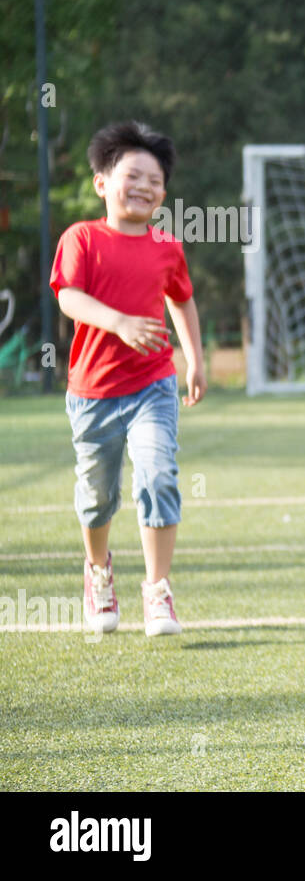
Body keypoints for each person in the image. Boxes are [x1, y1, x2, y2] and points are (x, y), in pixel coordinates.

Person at [50, 121, 205, 638]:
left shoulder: (167, 246)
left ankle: (157, 591)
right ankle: (98, 573)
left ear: (163, 194)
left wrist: (194, 360)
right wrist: (117, 321)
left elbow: (182, 300)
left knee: (158, 477)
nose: (144, 187)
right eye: (132, 176)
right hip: (92, 393)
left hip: (153, 386)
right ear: (101, 182)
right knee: (97, 497)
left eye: (155, 180)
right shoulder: (81, 238)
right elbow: (68, 297)